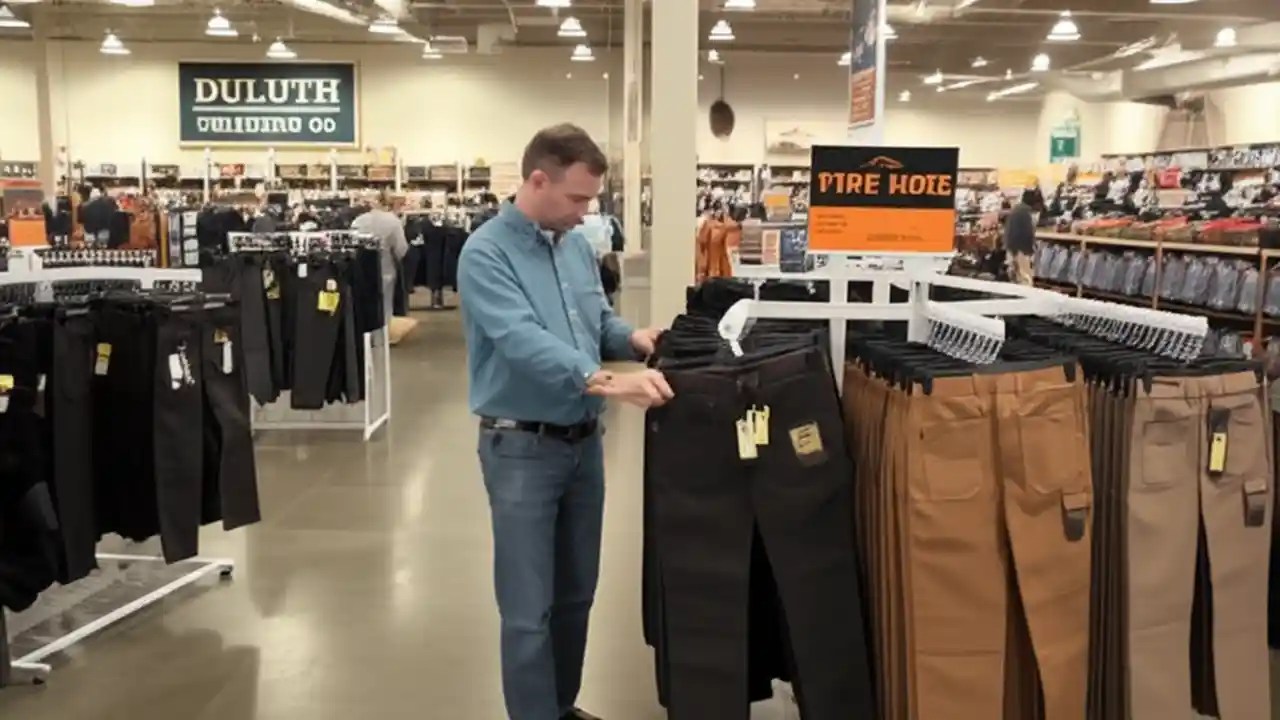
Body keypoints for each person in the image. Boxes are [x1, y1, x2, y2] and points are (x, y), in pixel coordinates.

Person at [457, 123, 673, 720]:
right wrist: (605, 381)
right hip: (521, 449)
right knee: (528, 608)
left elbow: (595, 322)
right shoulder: (485, 253)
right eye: (577, 198)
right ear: (537, 180)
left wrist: (634, 338)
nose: (586, 212)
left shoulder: (575, 247)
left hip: (583, 446)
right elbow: (521, 339)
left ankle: (559, 706)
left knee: (577, 594)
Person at [350, 190, 409, 324]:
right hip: (385, 269)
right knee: (384, 306)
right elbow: (401, 249)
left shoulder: (358, 221)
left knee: (362, 306)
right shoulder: (393, 221)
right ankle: (382, 333)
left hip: (359, 270)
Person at [1003, 188, 1040, 286]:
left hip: (1010, 245)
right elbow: (1027, 232)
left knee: (1013, 272)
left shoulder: (1016, 208)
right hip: (1021, 248)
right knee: (1025, 276)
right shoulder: (1026, 212)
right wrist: (1029, 250)